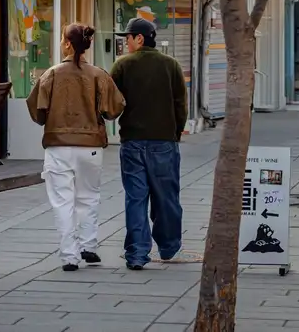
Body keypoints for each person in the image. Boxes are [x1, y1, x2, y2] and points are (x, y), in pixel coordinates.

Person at [27, 22, 125, 272]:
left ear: (68, 44)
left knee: (62, 202)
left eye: (63, 39)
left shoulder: (51, 74)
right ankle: (88, 245)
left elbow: (37, 111)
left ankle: (69, 256)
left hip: (58, 145)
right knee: (89, 197)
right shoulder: (98, 74)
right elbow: (114, 108)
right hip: (90, 145)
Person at [111, 17, 188, 271]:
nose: (126, 43)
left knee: (136, 198)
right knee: (166, 196)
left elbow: (111, 103)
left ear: (139, 38)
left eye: (128, 38)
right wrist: (175, 133)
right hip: (164, 141)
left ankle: (136, 253)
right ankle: (169, 246)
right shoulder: (171, 65)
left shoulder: (122, 65)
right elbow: (181, 105)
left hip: (132, 141)